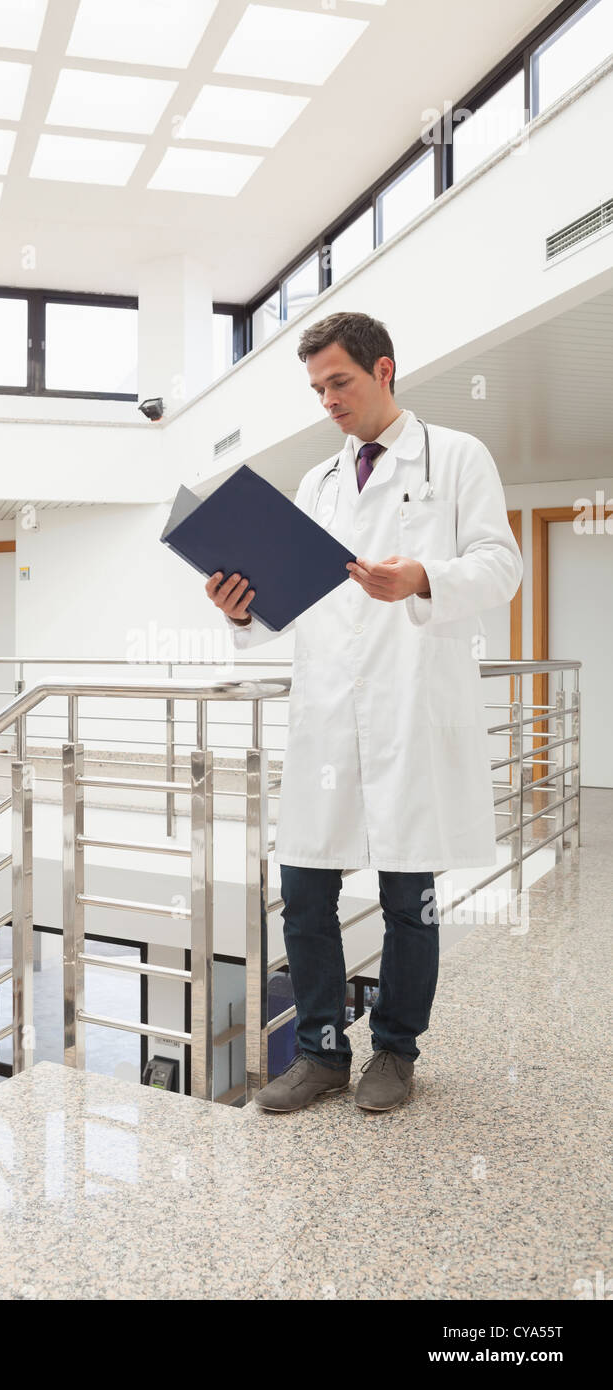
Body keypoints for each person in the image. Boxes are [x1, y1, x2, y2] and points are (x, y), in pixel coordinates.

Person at [204, 311, 522, 1113]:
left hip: (411, 709)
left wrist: (422, 577)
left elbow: (500, 566)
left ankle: (395, 1052)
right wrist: (242, 610)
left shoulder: (455, 456)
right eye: (316, 389)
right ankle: (319, 1053)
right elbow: (296, 602)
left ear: (384, 370)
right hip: (327, 719)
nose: (328, 401)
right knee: (305, 892)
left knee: (407, 896)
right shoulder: (315, 482)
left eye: (339, 382)